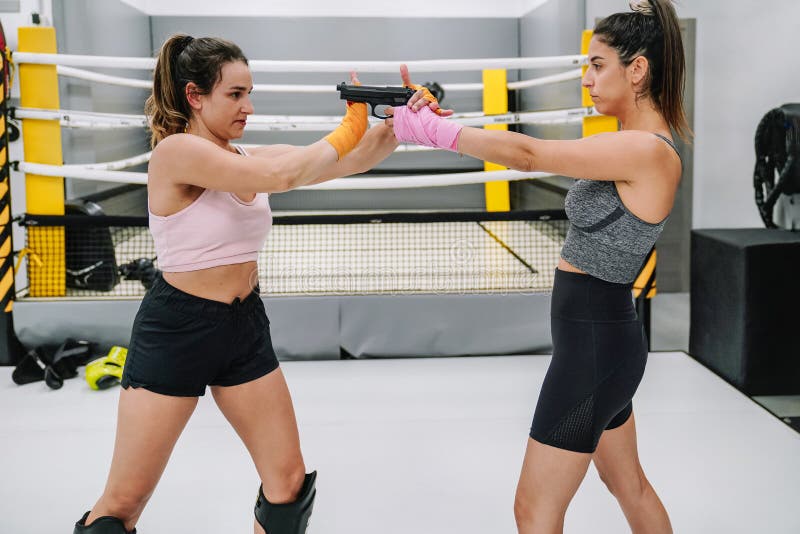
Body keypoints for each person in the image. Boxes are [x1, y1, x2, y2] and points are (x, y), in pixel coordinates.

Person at [73, 35, 445, 534]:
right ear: (194, 96)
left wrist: (405, 118)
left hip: (242, 326)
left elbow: (345, 159)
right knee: (123, 502)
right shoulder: (177, 153)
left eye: (249, 93)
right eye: (235, 94)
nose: (248, 106)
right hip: (177, 329)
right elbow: (284, 174)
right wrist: (349, 123)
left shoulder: (247, 154)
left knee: (288, 484)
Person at [387, 1, 686, 532]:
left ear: (637, 69)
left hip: (595, 350)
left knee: (534, 509)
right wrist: (435, 124)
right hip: (599, 342)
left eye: (598, 64)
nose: (587, 77)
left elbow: (526, 154)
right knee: (627, 484)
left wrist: (434, 132)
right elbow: (523, 149)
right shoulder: (626, 142)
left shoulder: (646, 150)